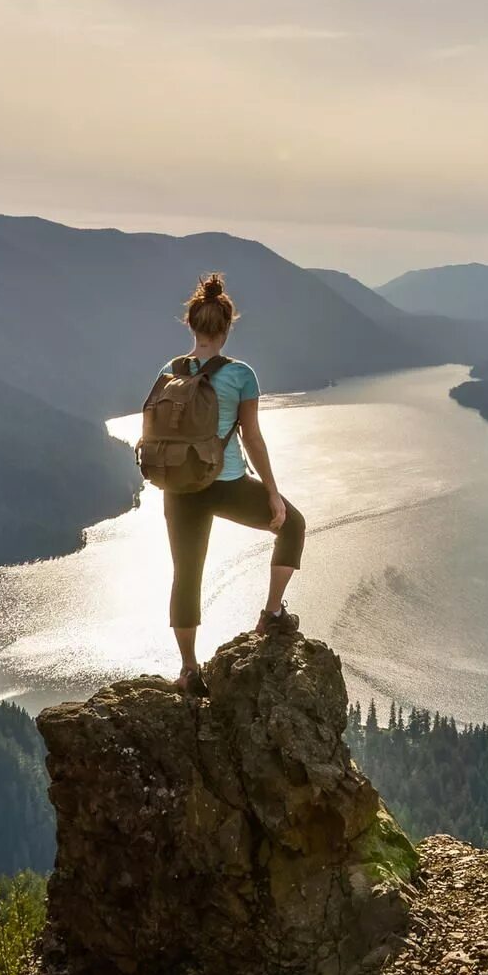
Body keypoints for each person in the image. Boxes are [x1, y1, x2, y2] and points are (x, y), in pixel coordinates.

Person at [160, 273, 305, 695]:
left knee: (186, 575)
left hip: (181, 490)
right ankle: (272, 615)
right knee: (291, 524)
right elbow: (252, 437)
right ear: (226, 329)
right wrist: (273, 493)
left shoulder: (171, 370)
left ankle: (189, 670)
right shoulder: (241, 374)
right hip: (225, 483)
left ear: (191, 326)